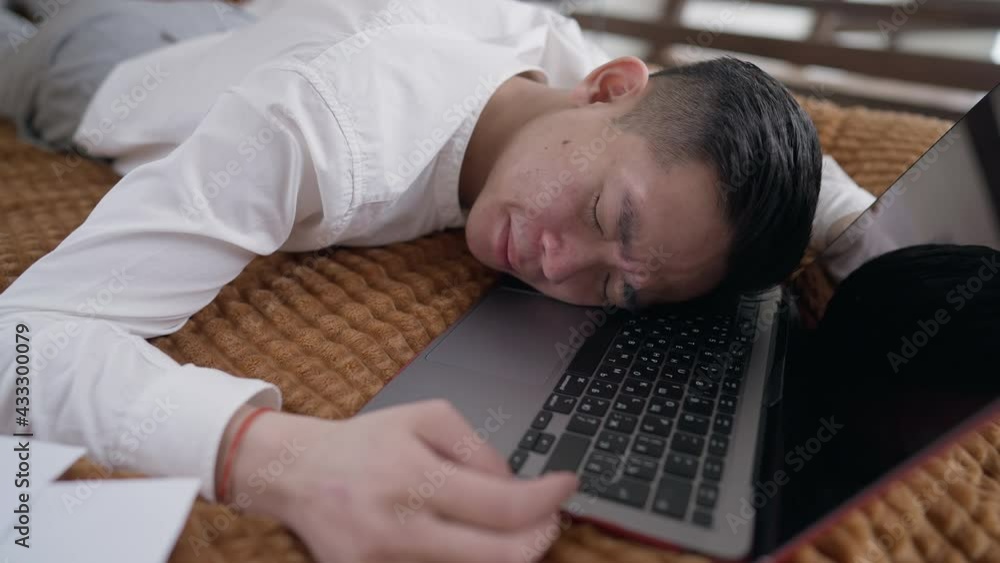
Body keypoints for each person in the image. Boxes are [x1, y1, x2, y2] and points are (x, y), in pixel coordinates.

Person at [0, 0, 874, 561]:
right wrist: (266, 454)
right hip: (108, 62)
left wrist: (857, 230)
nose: (560, 265)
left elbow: (783, 163)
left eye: (619, 292)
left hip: (242, 30)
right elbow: (26, 337)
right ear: (608, 88)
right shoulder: (326, 124)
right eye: (609, 218)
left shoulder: (560, 54)